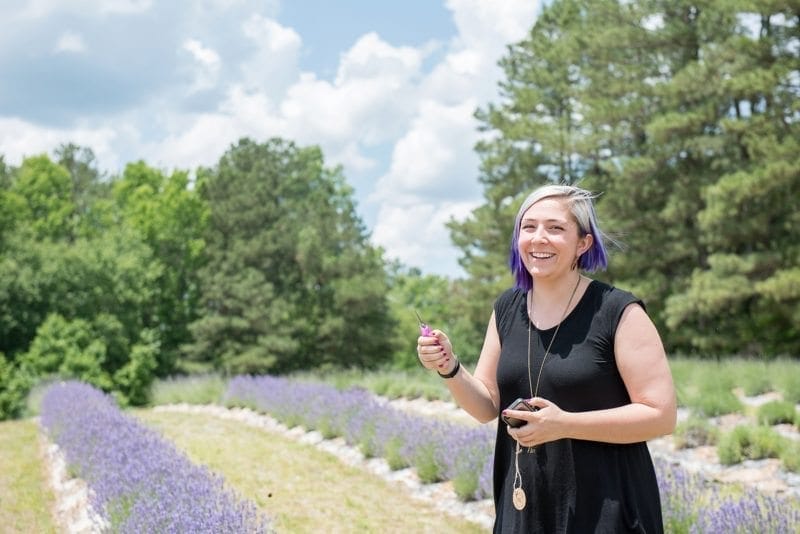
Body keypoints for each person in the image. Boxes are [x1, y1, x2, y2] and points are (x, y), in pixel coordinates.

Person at [417, 184, 676, 533]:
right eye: (529, 227)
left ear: (582, 244)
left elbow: (661, 416)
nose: (539, 238)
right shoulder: (507, 309)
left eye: (555, 228)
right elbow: (486, 406)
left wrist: (565, 424)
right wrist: (449, 368)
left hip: (607, 513)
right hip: (525, 508)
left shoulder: (618, 312)